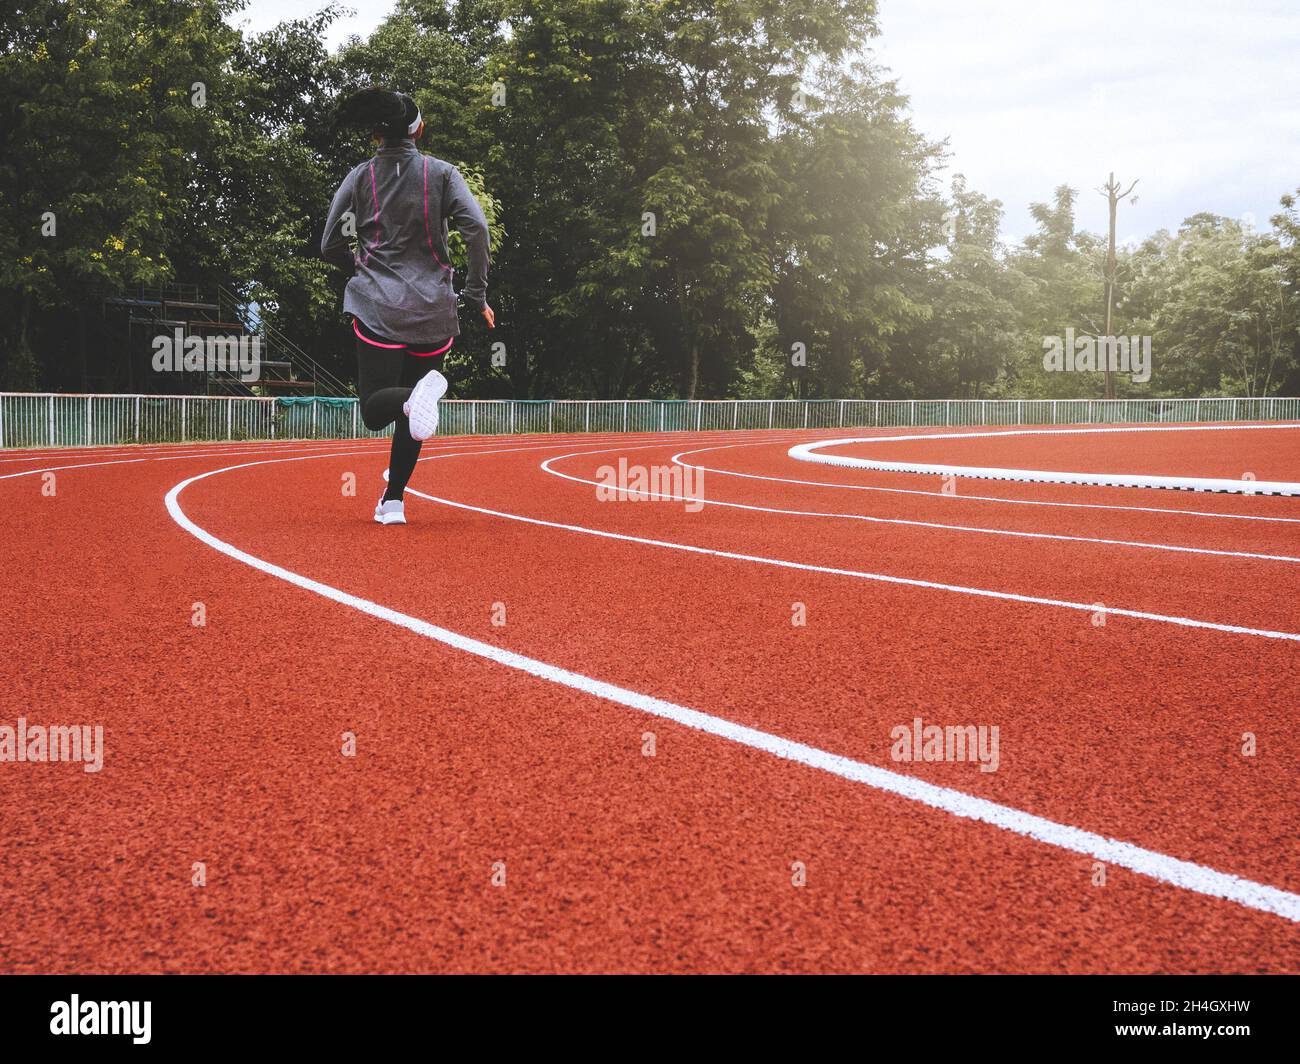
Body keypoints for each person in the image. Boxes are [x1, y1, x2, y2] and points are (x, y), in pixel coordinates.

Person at [321, 87, 494, 525]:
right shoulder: (442, 173)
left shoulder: (360, 176)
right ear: (417, 130)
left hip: (378, 308)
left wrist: (359, 269)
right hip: (435, 311)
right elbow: (476, 229)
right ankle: (393, 501)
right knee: (414, 415)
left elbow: (329, 244)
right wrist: (474, 296)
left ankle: (410, 403)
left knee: (377, 406)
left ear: (375, 133)